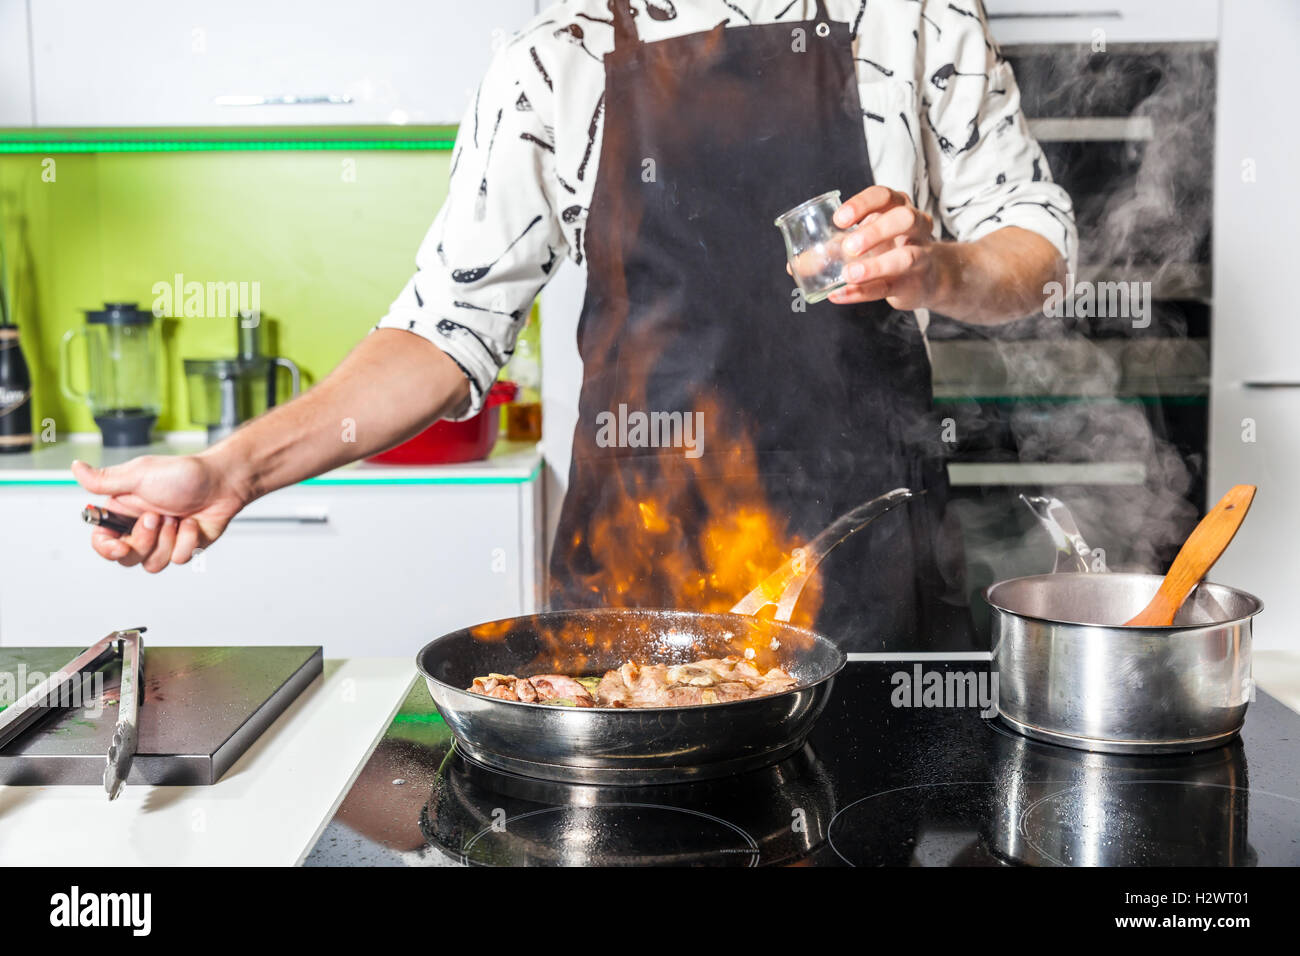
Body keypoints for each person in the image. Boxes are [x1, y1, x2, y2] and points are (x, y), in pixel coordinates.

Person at [76, 0, 1075, 651]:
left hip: (870, 579)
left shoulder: (913, 23)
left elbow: (1034, 248)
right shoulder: (552, 63)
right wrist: (234, 468)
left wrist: (939, 265)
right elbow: (442, 329)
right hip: (639, 592)